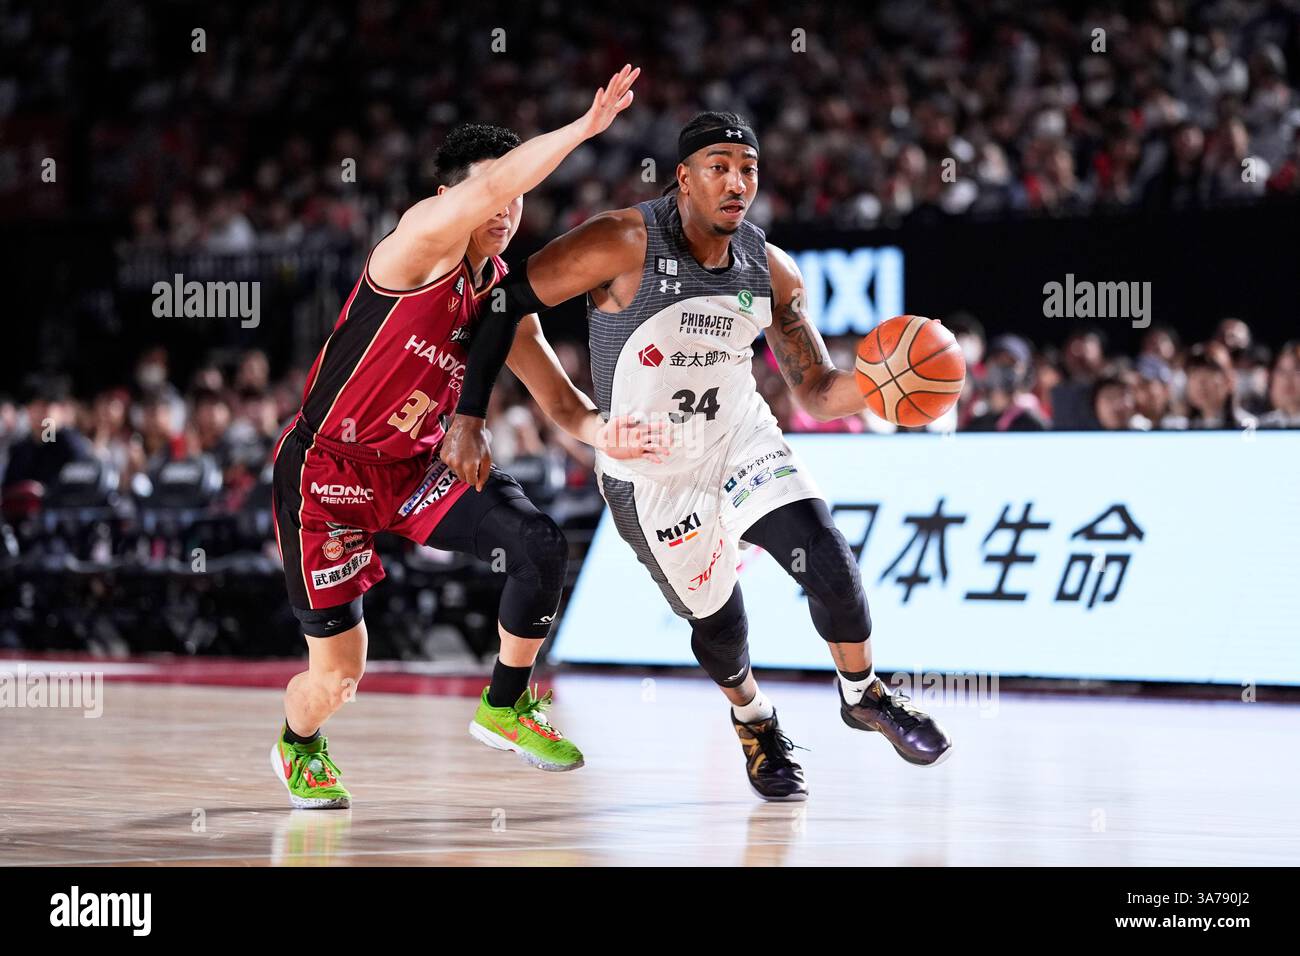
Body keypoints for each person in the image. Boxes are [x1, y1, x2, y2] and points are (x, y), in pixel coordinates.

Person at [442, 111, 952, 802]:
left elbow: (814, 392)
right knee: (720, 625)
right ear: (682, 178)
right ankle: (754, 719)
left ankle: (863, 693)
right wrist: (470, 417)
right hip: (650, 470)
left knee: (825, 551)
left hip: (738, 436)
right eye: (719, 166)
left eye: (748, 168)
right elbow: (503, 300)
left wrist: (881, 383)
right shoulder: (623, 240)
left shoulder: (771, 269)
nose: (736, 182)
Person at [269, 67, 653, 809]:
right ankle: (297, 743)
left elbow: (563, 407)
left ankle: (506, 702)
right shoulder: (418, 244)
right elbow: (487, 187)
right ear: (450, 199)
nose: (507, 208)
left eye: (518, 198)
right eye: (494, 193)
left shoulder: (503, 297)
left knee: (540, 543)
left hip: (416, 471)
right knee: (339, 678)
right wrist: (582, 128)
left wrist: (614, 435)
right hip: (327, 473)